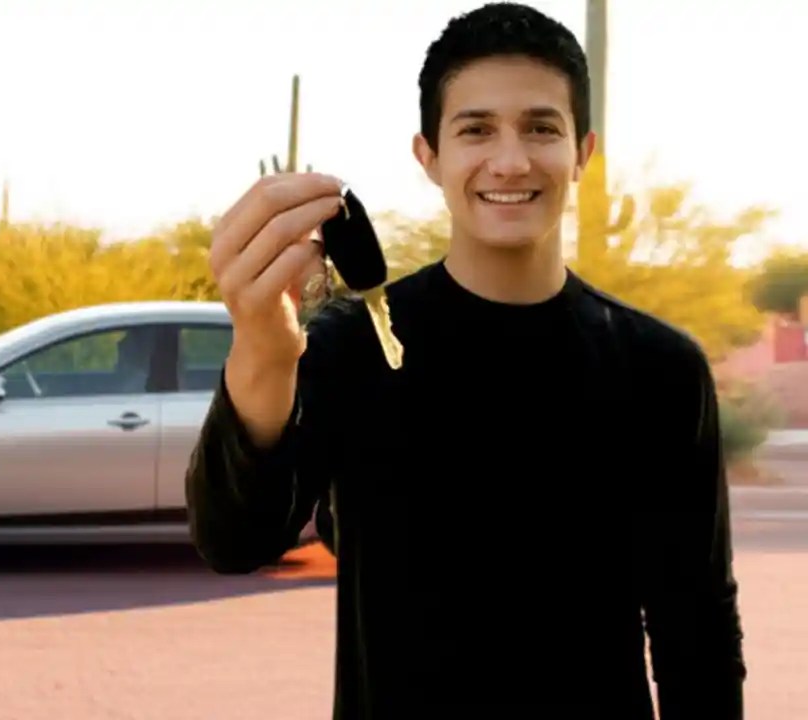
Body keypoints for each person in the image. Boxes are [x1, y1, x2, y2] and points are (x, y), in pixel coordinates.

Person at [184, 3, 747, 718]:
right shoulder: (354, 347)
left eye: (541, 127)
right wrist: (262, 351)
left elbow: (695, 624)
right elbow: (235, 538)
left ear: (582, 153)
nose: (510, 160)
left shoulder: (660, 367)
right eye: (476, 129)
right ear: (429, 156)